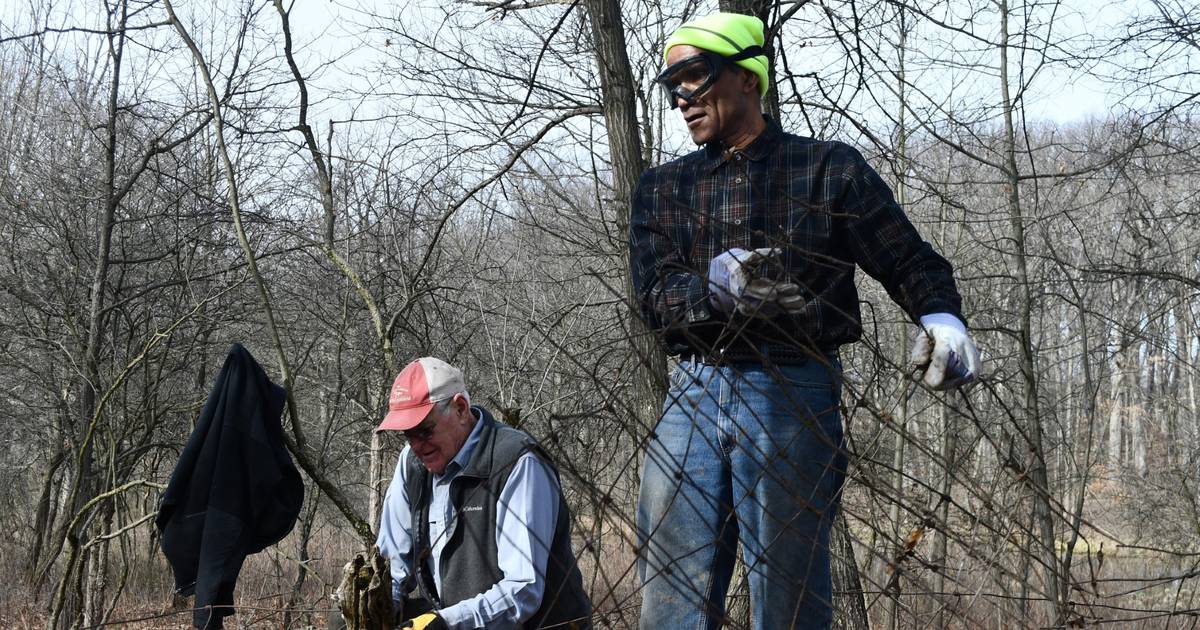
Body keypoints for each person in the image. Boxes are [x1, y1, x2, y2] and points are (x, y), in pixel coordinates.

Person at [628, 12, 982, 630]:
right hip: (693, 384)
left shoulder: (828, 171)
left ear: (747, 77)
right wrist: (714, 288)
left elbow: (907, 258)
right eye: (671, 86)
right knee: (671, 590)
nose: (682, 98)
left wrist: (944, 320)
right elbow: (652, 292)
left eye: (694, 76)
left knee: (787, 592)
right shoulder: (663, 188)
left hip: (793, 387)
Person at [374, 357, 592, 630]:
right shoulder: (412, 465)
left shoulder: (517, 462)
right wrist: (375, 610)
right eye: (408, 435)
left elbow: (522, 591)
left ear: (461, 409)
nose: (417, 445)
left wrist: (445, 625)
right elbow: (391, 568)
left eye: (425, 431)